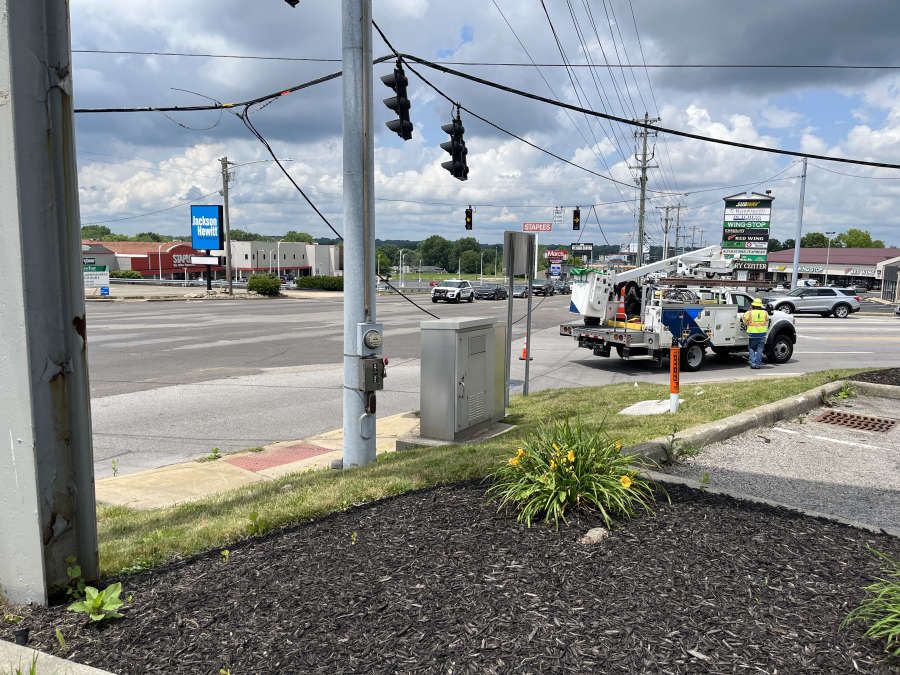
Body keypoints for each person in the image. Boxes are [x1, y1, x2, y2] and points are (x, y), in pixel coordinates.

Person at [742, 298, 770, 369]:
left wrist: (747, 323)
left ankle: (753, 363)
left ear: (753, 305)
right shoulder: (765, 312)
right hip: (762, 333)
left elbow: (744, 319)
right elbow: (767, 320)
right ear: (760, 305)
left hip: (753, 333)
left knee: (751, 348)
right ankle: (758, 364)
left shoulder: (750, 312)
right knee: (760, 349)